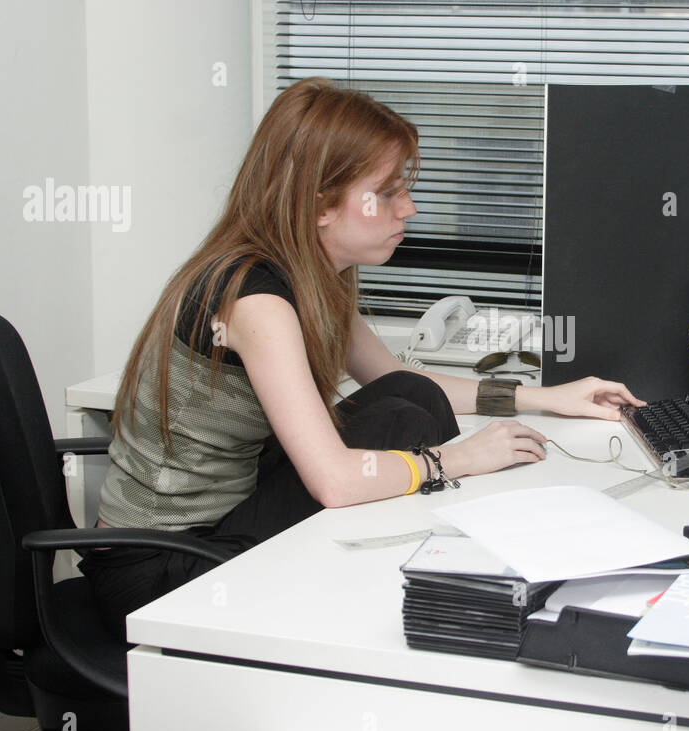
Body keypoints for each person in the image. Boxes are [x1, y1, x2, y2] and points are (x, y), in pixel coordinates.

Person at [81, 77, 644, 639]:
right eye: (388, 191)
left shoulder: (311, 273)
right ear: (318, 204)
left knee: (411, 398)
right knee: (397, 435)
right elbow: (333, 481)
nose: (411, 208)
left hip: (225, 514)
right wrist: (461, 460)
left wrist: (545, 398)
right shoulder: (255, 300)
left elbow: (399, 378)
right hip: (159, 567)